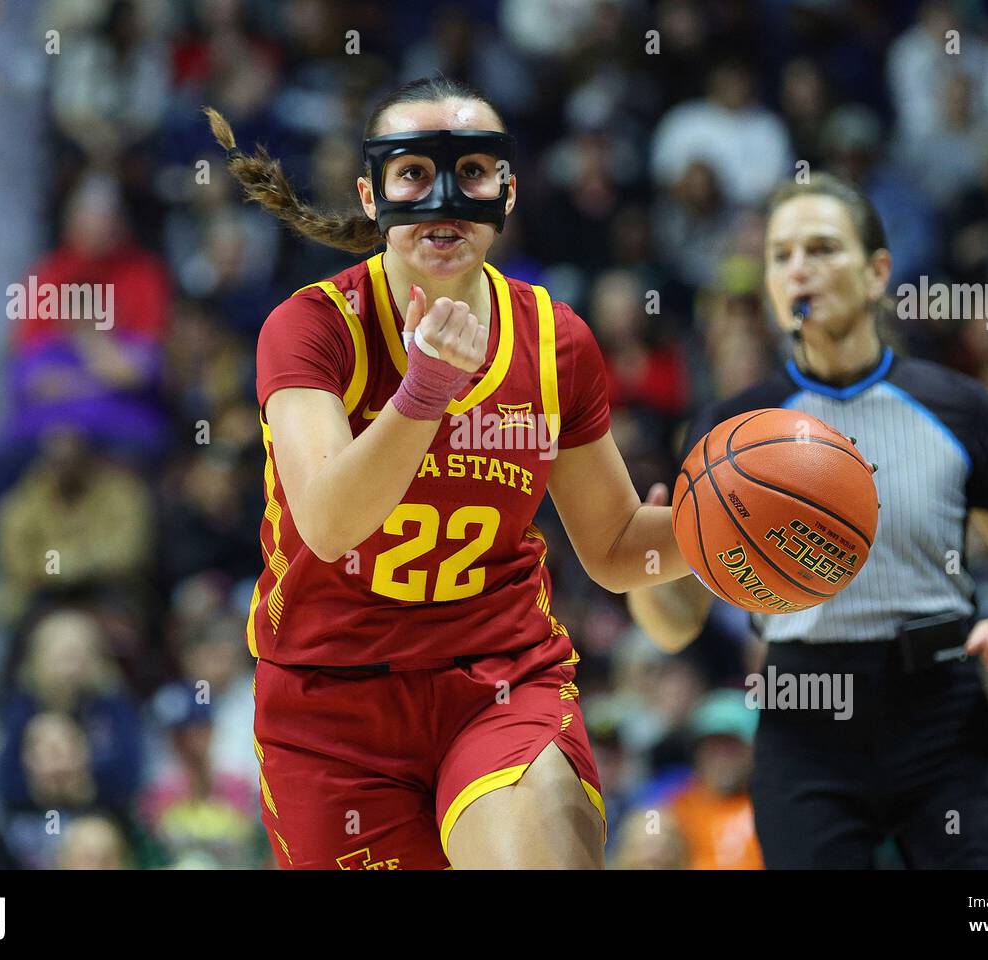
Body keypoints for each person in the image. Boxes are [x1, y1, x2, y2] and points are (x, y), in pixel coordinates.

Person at [205, 75, 689, 869]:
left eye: (470, 172)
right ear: (371, 193)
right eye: (413, 174)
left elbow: (611, 547)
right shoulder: (310, 328)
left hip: (499, 678)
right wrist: (425, 388)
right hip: (332, 704)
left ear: (506, 191)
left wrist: (725, 529)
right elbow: (328, 524)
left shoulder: (556, 340)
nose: (443, 199)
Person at [628, 172, 988, 868]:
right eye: (781, 255)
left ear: (876, 273)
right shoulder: (728, 433)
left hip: (941, 706)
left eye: (823, 248)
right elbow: (673, 624)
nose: (799, 267)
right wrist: (645, 563)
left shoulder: (958, 407)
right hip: (803, 716)